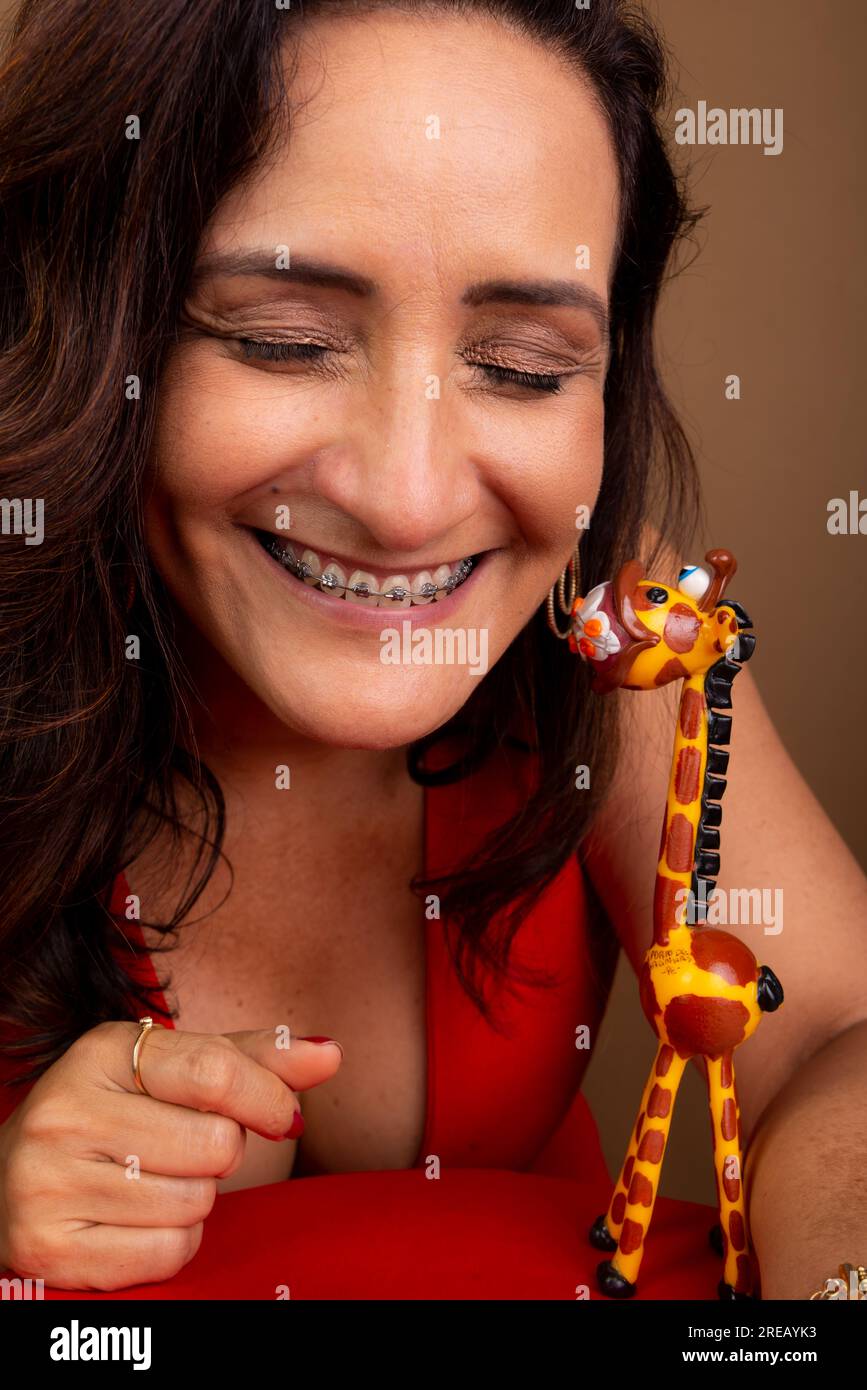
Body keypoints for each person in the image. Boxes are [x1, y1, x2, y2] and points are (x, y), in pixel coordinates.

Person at [0, 0, 864, 1299]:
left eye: (521, 367)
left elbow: (831, 1033)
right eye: (281, 342)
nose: (408, 501)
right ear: (92, 323)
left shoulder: (602, 624)